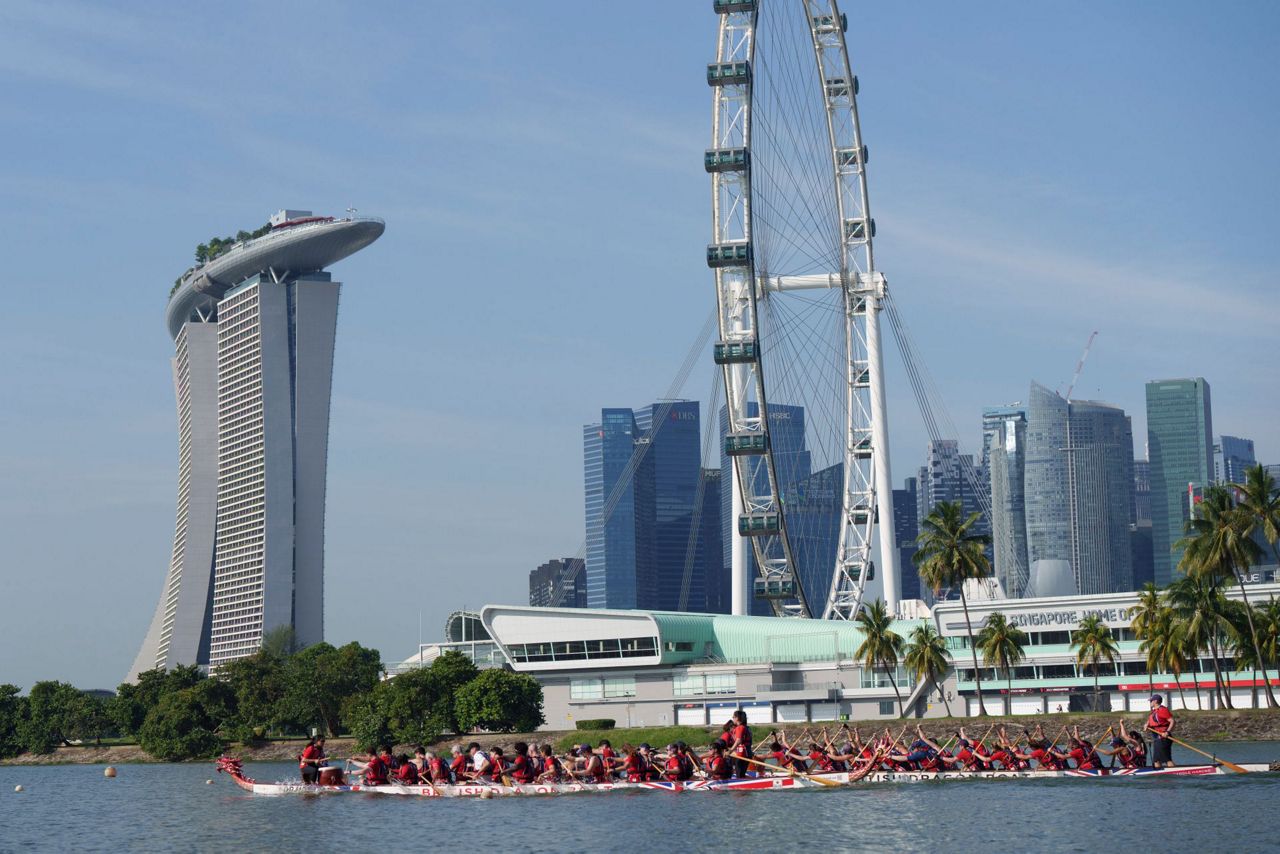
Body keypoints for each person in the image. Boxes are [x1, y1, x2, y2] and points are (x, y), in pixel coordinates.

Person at [1144, 694, 1175, 768]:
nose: (1150, 702)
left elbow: (1172, 721)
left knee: (1167, 759)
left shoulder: (1162, 710)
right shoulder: (1154, 711)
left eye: (1151, 701)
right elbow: (1151, 719)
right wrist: (1146, 724)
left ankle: (1175, 774)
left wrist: (1167, 732)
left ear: (1155, 701)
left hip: (1163, 737)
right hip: (1157, 737)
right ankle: (1157, 776)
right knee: (1156, 760)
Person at [727, 710, 753, 778]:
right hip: (747, 753)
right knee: (741, 773)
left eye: (733, 717)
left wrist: (731, 750)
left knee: (739, 774)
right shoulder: (747, 727)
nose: (733, 719)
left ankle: (739, 785)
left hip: (742, 754)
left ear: (737, 718)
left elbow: (739, 740)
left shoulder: (740, 727)